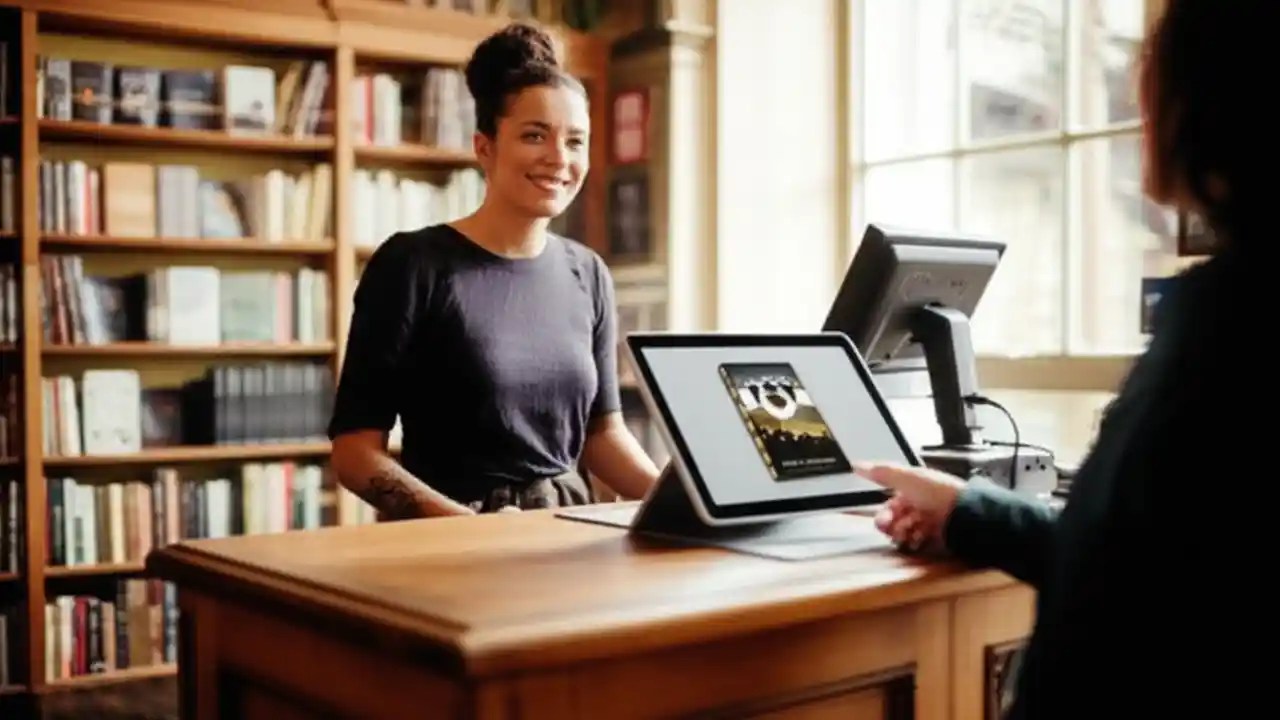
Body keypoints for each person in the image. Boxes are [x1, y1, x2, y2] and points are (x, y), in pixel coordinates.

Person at [853, 1, 1268, 718]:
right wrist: (967, 512)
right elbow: (1153, 561)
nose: (1135, 100)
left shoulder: (1228, 324)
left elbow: (1122, 583)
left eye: (1150, 70)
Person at [328, 23, 660, 519]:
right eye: (534, 135)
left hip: (569, 532)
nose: (559, 158)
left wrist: (687, 503)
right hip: (452, 540)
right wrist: (468, 529)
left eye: (575, 141)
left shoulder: (588, 273)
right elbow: (354, 453)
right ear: (484, 147)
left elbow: (603, 436)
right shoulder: (412, 264)